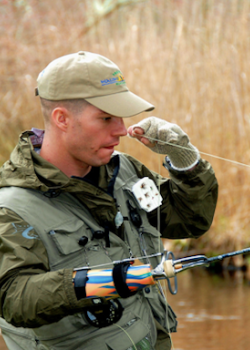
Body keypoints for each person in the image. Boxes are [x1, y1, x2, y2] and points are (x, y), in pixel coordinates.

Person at [0, 51, 218, 350]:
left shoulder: (124, 170)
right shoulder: (11, 207)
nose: (120, 130)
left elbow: (190, 219)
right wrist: (109, 280)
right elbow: (14, 298)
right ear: (61, 119)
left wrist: (185, 160)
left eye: (120, 117)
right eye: (105, 118)